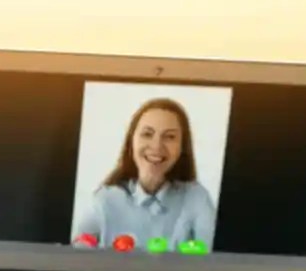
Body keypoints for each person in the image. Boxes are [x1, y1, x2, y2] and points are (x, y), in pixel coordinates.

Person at [71, 97, 216, 252]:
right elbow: (76, 257)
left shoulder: (197, 199)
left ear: (182, 147)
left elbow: (212, 261)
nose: (156, 146)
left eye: (169, 137)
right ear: (131, 141)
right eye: (147, 134)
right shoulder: (104, 201)